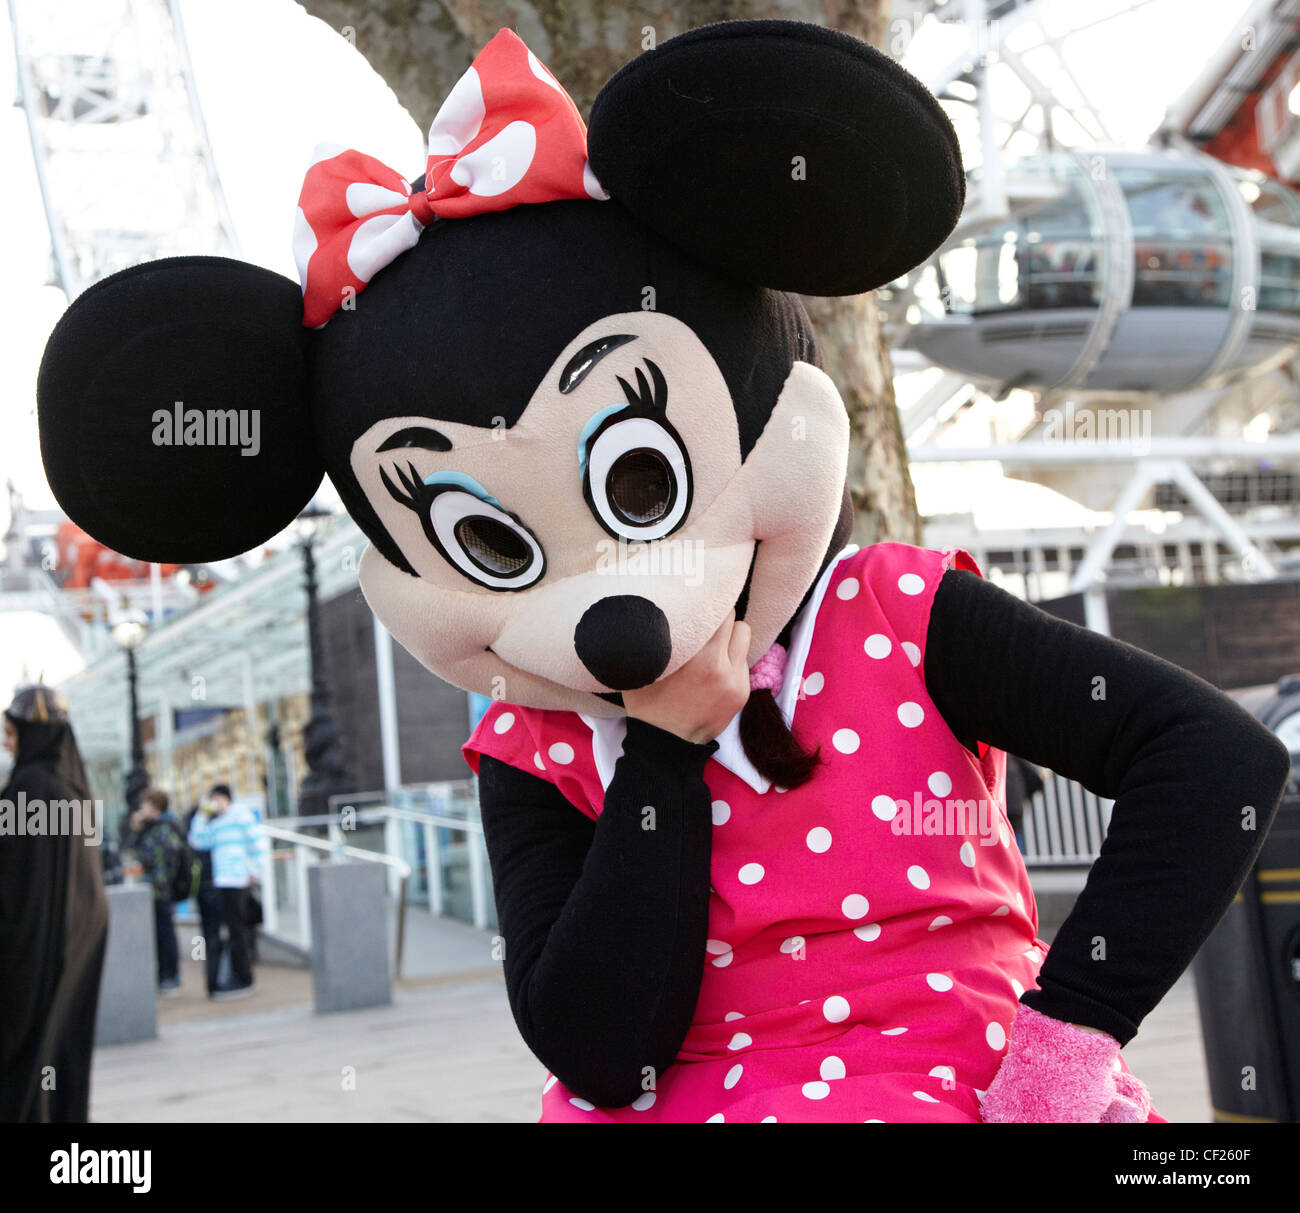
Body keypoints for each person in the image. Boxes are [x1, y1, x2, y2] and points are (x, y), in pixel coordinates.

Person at [33, 20, 1294, 1122]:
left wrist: (1065, 1038)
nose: (607, 609)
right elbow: (597, 1043)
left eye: (645, 483)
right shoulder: (536, 745)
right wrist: (665, 750)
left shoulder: (893, 618)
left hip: (955, 1086)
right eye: (495, 548)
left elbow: (1215, 762)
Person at [0, 684, 108, 1121]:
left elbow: (14, 883)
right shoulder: (72, 791)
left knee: (25, 1055)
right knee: (59, 1048)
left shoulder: (30, 789)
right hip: (76, 939)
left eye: (11, 732)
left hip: (34, 948)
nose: (7, 742)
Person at [187, 784, 266, 999]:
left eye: (217, 799)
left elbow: (258, 842)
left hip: (237, 880)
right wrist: (202, 815)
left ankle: (244, 979)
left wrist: (254, 870)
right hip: (223, 881)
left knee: (238, 930)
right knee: (233, 931)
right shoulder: (218, 823)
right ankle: (239, 977)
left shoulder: (241, 816)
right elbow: (197, 840)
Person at [121, 786, 186, 994]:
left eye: (145, 805)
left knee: (166, 933)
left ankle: (171, 976)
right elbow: (131, 850)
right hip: (151, 889)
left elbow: (164, 859)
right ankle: (162, 975)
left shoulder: (166, 826)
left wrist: (161, 882)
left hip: (162, 890)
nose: (141, 808)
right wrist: (136, 828)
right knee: (157, 933)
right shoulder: (148, 827)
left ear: (155, 806)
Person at [183, 801, 223, 997]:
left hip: (203, 889)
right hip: (215, 888)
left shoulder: (194, 837)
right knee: (214, 936)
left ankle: (213, 981)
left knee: (208, 935)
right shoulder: (212, 833)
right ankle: (216, 981)